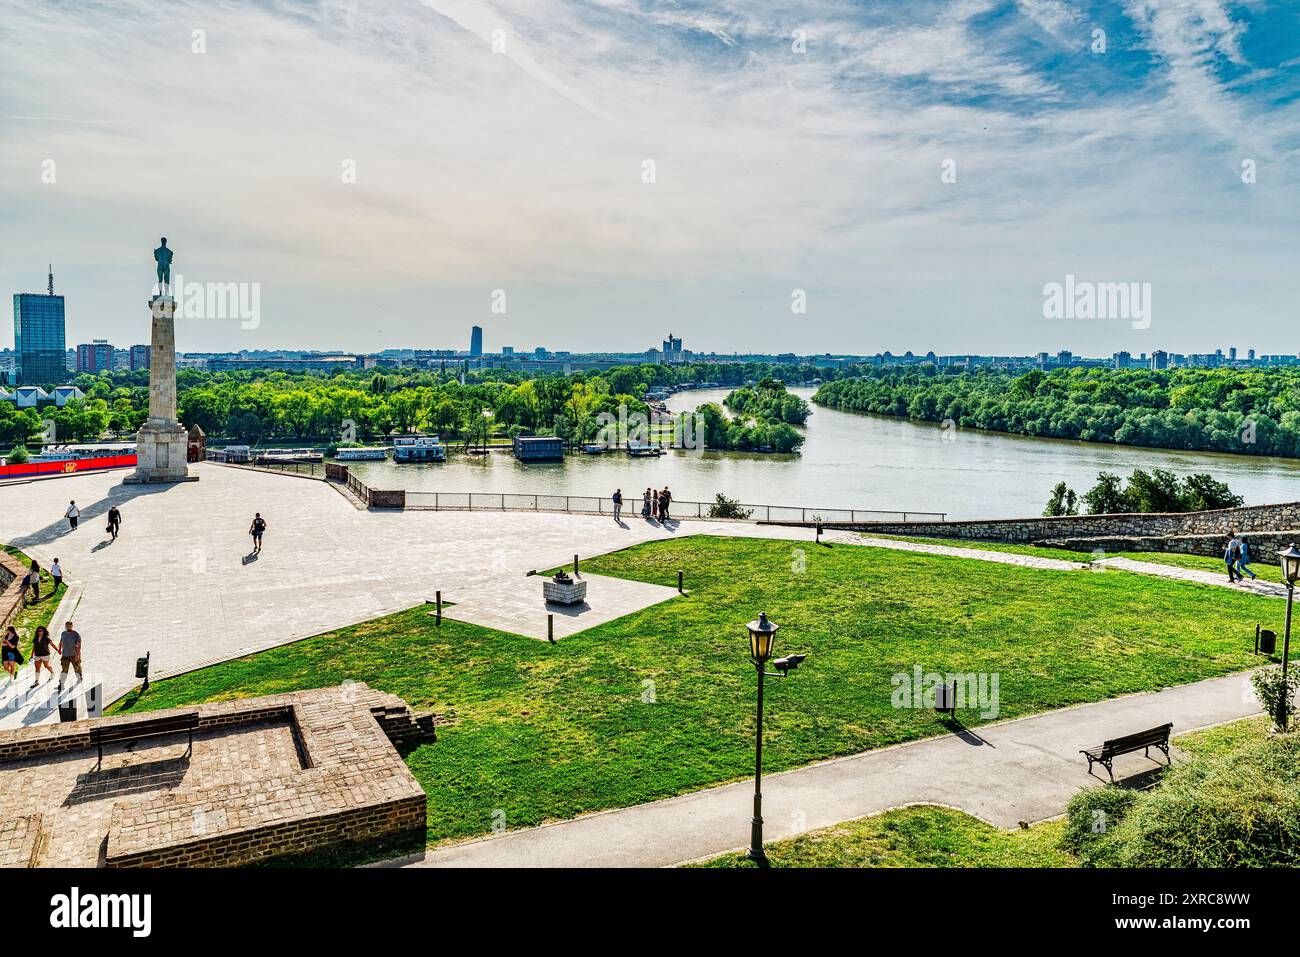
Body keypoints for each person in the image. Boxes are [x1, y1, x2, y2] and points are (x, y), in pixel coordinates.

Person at [56, 620, 82, 690]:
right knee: (64, 669)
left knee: (77, 668)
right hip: (65, 655)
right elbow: (61, 641)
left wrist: (77, 655)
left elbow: (79, 645)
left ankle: (79, 677)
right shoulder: (63, 633)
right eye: (67, 626)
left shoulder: (76, 634)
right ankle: (61, 683)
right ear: (65, 626)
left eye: (70, 626)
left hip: (74, 654)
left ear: (72, 626)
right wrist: (59, 649)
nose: (68, 627)